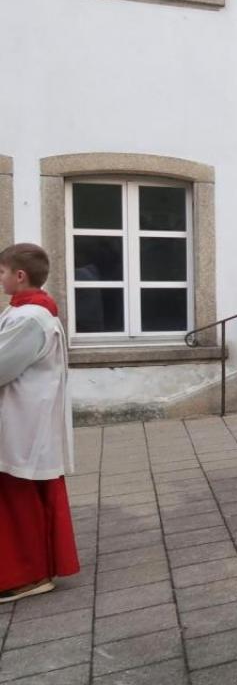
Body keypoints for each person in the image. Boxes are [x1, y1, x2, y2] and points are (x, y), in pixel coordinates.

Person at [0, 244, 79, 604]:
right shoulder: (28, 312)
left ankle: (27, 575)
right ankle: (33, 570)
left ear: (20, 275)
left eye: (2, 272)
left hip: (21, 422)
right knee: (26, 496)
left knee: (19, 499)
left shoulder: (29, 318)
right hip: (26, 419)